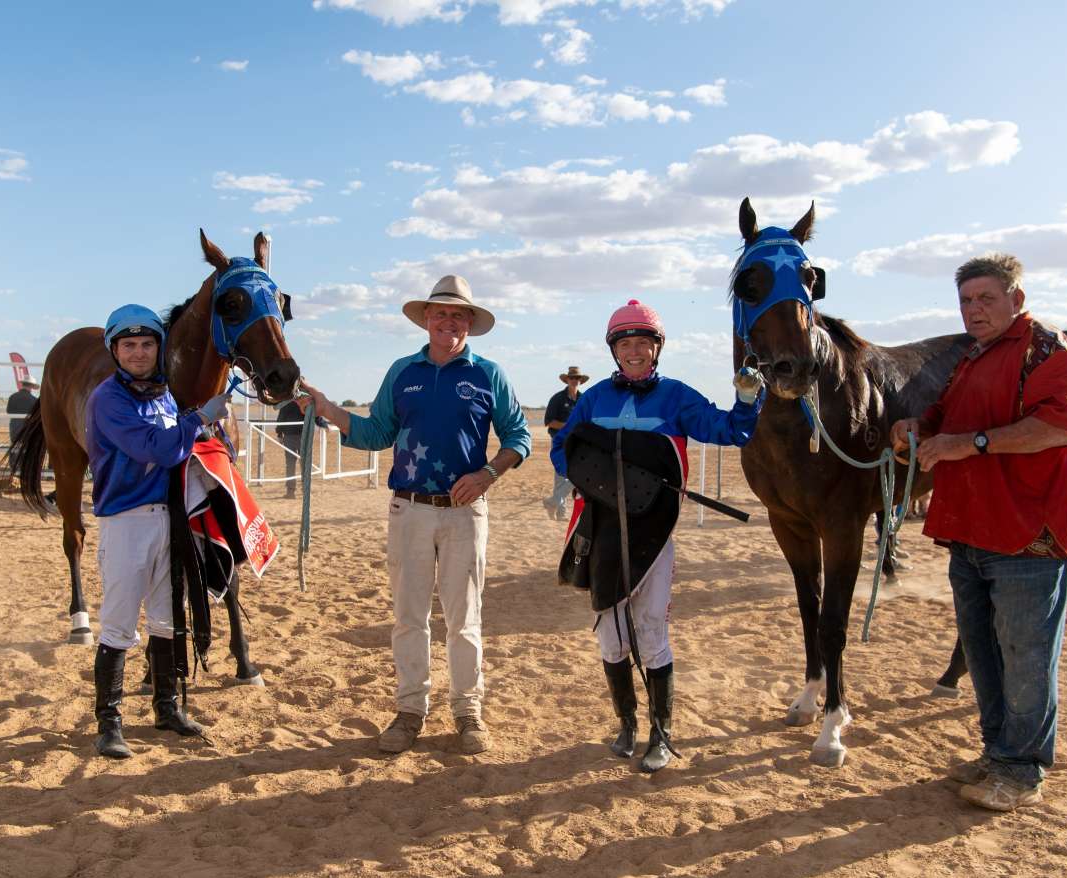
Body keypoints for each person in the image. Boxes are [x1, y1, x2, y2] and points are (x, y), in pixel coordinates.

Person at [890, 253, 1067, 812]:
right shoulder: (973, 358)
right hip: (971, 532)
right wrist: (918, 429)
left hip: (1029, 534)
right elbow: (946, 415)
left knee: (1025, 656)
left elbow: (1055, 428)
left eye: (986, 299)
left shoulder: (1050, 351)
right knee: (983, 654)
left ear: (1016, 299)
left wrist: (968, 443)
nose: (974, 310)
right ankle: (998, 752)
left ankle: (1021, 769)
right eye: (966, 301)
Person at [298, 275, 531, 755]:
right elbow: (376, 432)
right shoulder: (403, 371)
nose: (449, 321)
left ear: (470, 323)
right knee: (409, 617)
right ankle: (410, 711)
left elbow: (518, 438)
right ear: (426, 319)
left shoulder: (489, 374)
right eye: (441, 313)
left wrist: (487, 474)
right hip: (409, 509)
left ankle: (468, 712)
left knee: (464, 617)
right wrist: (327, 409)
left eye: (459, 314)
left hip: (466, 511)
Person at [551, 299, 763, 772]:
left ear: (657, 348)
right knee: (611, 636)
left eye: (642, 343)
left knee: (651, 633)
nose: (634, 352)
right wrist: (597, 480)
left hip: (653, 536)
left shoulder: (677, 397)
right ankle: (626, 724)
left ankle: (660, 734)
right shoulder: (594, 399)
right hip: (598, 529)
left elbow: (728, 430)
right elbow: (565, 449)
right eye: (625, 344)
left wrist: (748, 401)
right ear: (614, 350)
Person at [85, 304, 233, 759]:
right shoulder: (108, 399)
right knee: (119, 623)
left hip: (169, 520)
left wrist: (212, 440)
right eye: (128, 345)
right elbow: (155, 447)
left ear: (158, 348)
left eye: (147, 344)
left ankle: (166, 707)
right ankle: (109, 722)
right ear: (115, 349)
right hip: (126, 522)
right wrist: (199, 418)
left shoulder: (163, 395)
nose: (138, 353)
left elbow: (182, 449)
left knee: (168, 619)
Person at [542, 365, 588, 520]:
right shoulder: (557, 398)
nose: (575, 380)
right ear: (567, 379)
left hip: (580, 443)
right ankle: (559, 509)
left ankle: (554, 505)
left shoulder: (584, 399)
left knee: (576, 474)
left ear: (581, 381)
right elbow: (549, 421)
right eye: (572, 378)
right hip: (560, 442)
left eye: (577, 378)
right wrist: (569, 427)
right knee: (563, 475)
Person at [274, 399, 328, 499]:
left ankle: (297, 491)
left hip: (298, 435)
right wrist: (279, 433)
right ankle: (294, 491)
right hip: (293, 435)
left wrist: (323, 424)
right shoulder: (290, 400)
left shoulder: (301, 399)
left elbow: (315, 414)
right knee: (295, 464)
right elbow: (282, 417)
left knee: (297, 464)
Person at [7, 378, 40, 443]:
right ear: (32, 387)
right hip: (28, 427)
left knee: (15, 447)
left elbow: (9, 411)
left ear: (22, 384)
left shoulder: (13, 397)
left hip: (14, 426)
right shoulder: (34, 400)